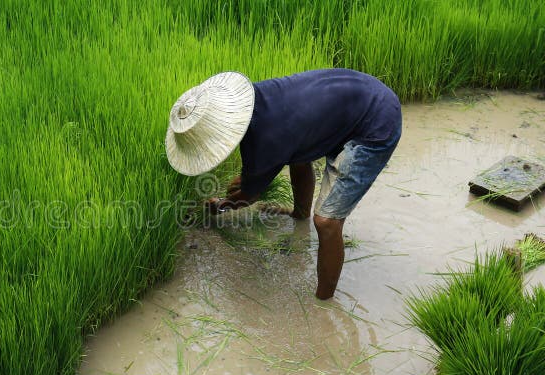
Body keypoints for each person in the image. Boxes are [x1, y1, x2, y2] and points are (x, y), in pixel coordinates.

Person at [164, 68, 402, 300]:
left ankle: (324, 303)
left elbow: (249, 196)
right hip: (361, 94)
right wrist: (250, 180)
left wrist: (221, 205)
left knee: (327, 222)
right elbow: (292, 148)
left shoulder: (264, 139)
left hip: (375, 125)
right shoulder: (258, 99)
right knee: (298, 154)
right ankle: (299, 214)